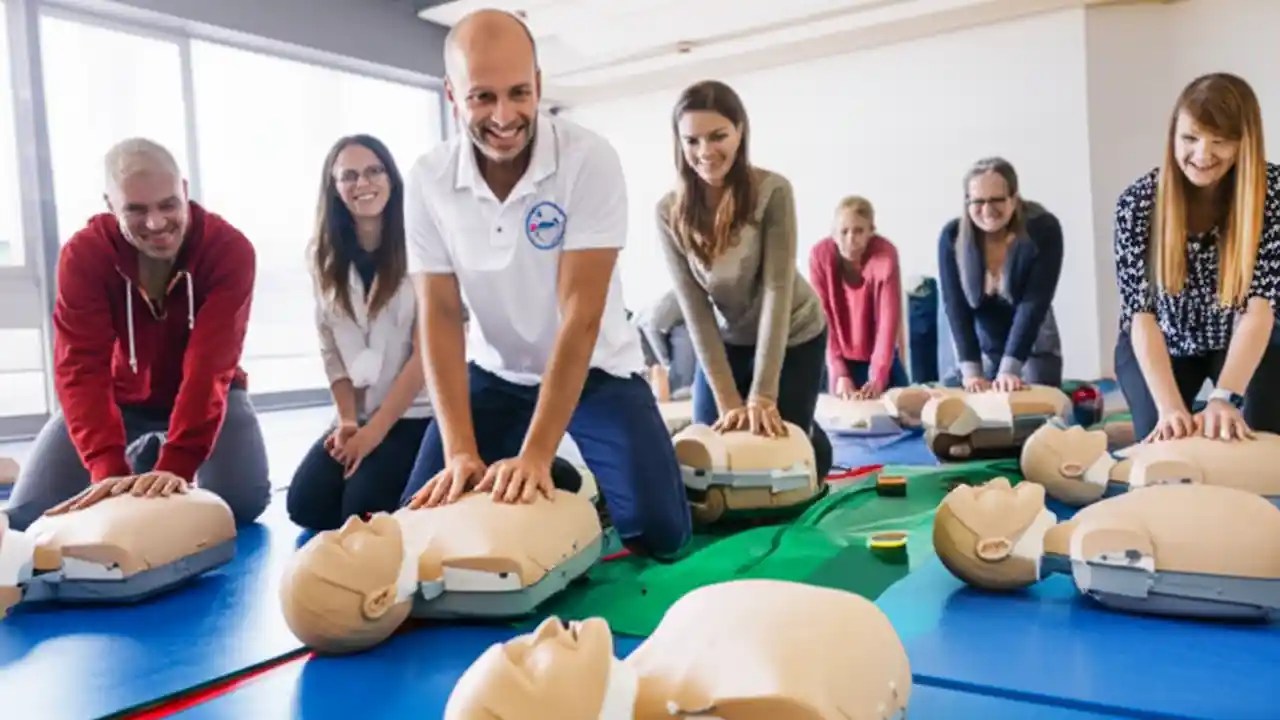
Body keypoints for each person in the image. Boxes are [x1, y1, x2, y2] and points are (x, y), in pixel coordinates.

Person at [396, 9, 692, 559]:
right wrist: (460, 450)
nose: (504, 116)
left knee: (659, 534)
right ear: (451, 96)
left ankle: (560, 469)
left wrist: (534, 452)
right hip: (496, 372)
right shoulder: (428, 179)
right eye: (482, 97)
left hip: (597, 370)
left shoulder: (588, 160)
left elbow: (580, 315)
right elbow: (438, 314)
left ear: (538, 84)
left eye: (517, 93)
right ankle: (559, 472)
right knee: (422, 518)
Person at [3, 138, 269, 531]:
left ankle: (156, 455)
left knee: (241, 505)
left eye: (168, 205)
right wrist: (107, 468)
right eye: (136, 210)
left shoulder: (229, 250)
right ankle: (139, 456)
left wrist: (178, 462)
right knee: (31, 512)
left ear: (185, 191)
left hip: (213, 393)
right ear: (110, 207)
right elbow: (80, 366)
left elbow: (210, 364)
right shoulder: (84, 255)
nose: (156, 223)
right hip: (120, 398)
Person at [656, 79, 832, 475]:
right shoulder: (668, 212)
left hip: (793, 331)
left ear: (740, 132)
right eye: (692, 140)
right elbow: (695, 308)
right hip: (728, 339)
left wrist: (764, 398)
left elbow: (776, 289)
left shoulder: (773, 191)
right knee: (713, 455)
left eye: (718, 136)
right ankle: (793, 412)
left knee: (783, 458)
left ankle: (806, 427)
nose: (705, 152)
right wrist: (728, 400)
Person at [1112, 72, 1280, 443]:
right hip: (1162, 341)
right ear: (1173, 135)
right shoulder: (1137, 204)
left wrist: (1225, 397)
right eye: (1190, 138)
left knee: (1256, 439)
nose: (1202, 155)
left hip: (1241, 338)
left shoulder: (1273, 196)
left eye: (1219, 141)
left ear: (1243, 144)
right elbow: (1142, 317)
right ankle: (1120, 433)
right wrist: (1170, 408)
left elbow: (1259, 309)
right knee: (1164, 441)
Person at [285, 135, 433, 531]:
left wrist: (373, 436)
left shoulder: (421, 248)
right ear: (334, 188)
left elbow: (426, 358)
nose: (362, 184)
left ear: (391, 178)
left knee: (361, 509)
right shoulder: (323, 257)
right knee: (306, 506)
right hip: (359, 413)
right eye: (348, 176)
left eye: (373, 171)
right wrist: (349, 422)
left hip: (415, 413)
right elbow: (330, 350)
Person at [937, 156, 1064, 392]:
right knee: (954, 404)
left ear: (1014, 199)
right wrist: (971, 372)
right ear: (967, 202)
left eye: (997, 200)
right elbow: (955, 306)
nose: (987, 210)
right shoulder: (952, 236)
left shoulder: (1044, 229)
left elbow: (1034, 303)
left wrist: (1010, 368)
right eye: (978, 201)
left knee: (1035, 404)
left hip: (1033, 343)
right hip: (980, 344)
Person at [809, 195, 909, 400]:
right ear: (833, 234)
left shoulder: (886, 256)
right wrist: (839, 373)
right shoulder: (820, 256)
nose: (850, 239)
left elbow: (888, 322)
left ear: (871, 231)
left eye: (859, 231)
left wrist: (878, 377)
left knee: (901, 419)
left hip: (880, 358)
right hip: (837, 356)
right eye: (843, 232)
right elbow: (823, 319)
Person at [632, 289, 695, 397]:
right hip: (647, 328)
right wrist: (664, 361)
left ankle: (679, 387)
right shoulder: (659, 314)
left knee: (682, 337)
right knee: (657, 369)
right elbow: (652, 328)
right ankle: (672, 390)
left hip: (666, 323)